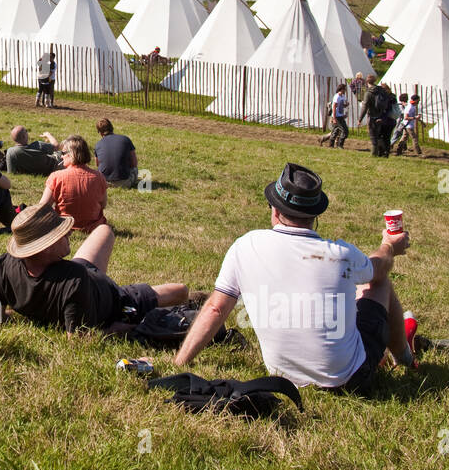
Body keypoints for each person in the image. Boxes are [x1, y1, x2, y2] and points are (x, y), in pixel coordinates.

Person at [174, 163, 416, 392]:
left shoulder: (244, 246)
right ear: (315, 215)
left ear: (276, 211)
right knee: (379, 282)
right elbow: (379, 267)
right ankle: (405, 357)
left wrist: (180, 363)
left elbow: (216, 309)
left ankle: (396, 350)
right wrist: (389, 246)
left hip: (283, 375)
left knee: (359, 290)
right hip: (349, 378)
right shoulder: (341, 254)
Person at [0, 203, 188, 335]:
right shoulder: (73, 280)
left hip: (86, 276)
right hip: (115, 297)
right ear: (47, 247)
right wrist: (112, 330)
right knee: (181, 291)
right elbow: (79, 339)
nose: (69, 234)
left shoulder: (1, 267)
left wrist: (24, 316)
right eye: (62, 233)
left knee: (104, 230)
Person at [37, 135, 107, 233]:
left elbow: (42, 207)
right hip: (94, 228)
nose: (61, 156)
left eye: (63, 153)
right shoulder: (99, 177)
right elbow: (103, 204)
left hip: (64, 227)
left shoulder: (56, 177)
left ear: (72, 154)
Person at [93, 118, 138, 188]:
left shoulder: (98, 144)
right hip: (124, 182)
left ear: (100, 132)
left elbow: (98, 164)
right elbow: (134, 163)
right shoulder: (125, 139)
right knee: (135, 170)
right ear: (112, 127)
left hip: (103, 182)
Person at [358, 76, 396, 157]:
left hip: (372, 116)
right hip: (382, 116)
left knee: (373, 136)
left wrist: (360, 118)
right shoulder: (382, 91)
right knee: (383, 136)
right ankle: (384, 153)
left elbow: (365, 107)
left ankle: (374, 153)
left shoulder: (369, 93)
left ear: (367, 82)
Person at [320, 82, 349, 148]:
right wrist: (334, 118)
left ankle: (330, 145)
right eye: (344, 89)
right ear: (341, 89)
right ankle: (340, 145)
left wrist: (346, 105)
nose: (345, 90)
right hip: (336, 117)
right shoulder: (337, 96)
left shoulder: (343, 96)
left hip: (340, 116)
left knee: (335, 131)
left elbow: (341, 105)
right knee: (344, 131)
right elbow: (334, 107)